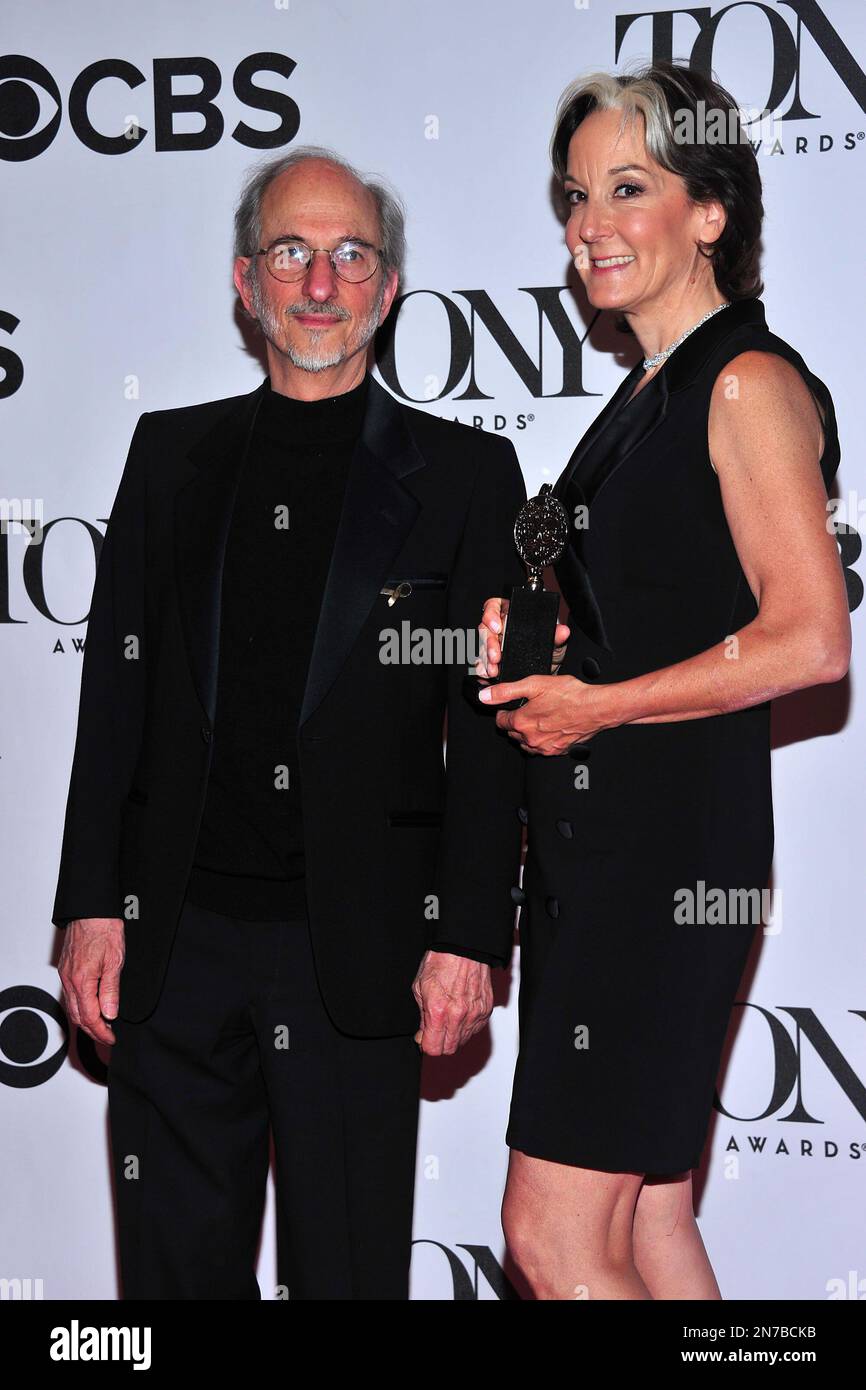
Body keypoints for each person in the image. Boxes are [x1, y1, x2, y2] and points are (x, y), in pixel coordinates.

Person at [52, 146, 526, 1300]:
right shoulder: (170, 458)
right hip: (174, 947)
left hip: (359, 959)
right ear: (245, 281)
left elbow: (493, 732)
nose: (320, 283)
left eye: (350, 255)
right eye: (291, 253)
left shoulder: (466, 478)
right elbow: (116, 697)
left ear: (390, 287)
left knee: (350, 1280)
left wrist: (469, 937)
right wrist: (83, 902)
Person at [477, 62, 850, 1300]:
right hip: (618, 849)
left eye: (626, 187)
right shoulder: (641, 400)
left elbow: (809, 639)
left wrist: (599, 704)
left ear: (710, 212)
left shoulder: (740, 383)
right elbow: (652, 615)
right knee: (645, 1223)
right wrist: (537, 645)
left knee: (552, 1232)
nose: (587, 223)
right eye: (574, 195)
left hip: (662, 855)